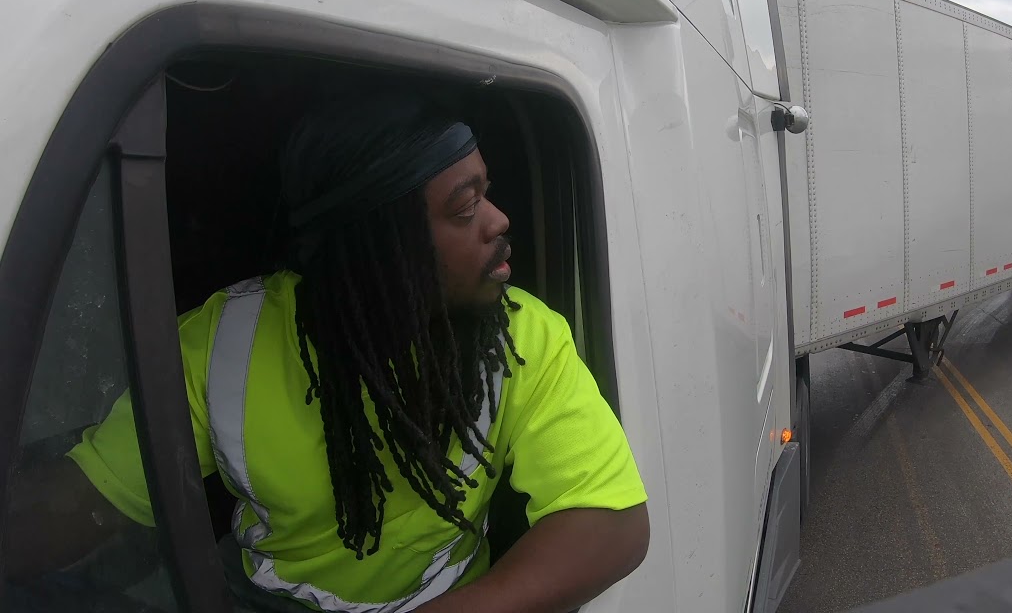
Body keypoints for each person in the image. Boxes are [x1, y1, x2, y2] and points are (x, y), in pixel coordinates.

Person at [4, 89, 649, 612]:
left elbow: (611, 523)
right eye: (464, 209)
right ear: (380, 248)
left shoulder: (520, 337)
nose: (499, 220)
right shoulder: (227, 341)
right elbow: (87, 500)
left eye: (487, 192)